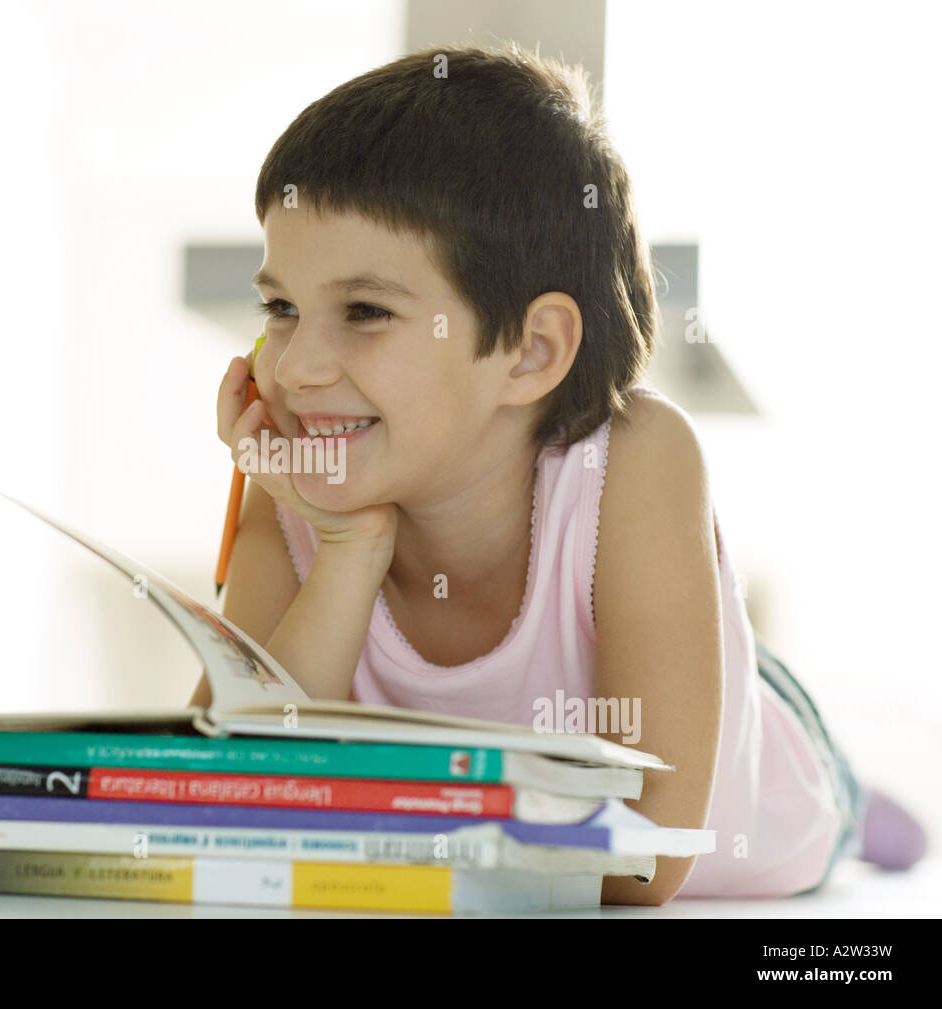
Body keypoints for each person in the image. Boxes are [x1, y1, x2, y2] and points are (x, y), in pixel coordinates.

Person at [192, 42, 926, 904]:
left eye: (364, 311)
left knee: (814, 782)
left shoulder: (640, 461)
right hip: (519, 798)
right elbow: (213, 793)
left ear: (531, 351)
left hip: (766, 790)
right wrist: (348, 549)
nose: (295, 367)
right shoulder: (300, 500)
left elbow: (645, 857)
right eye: (281, 307)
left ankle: (854, 792)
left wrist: (367, 836)